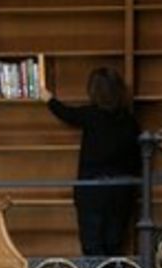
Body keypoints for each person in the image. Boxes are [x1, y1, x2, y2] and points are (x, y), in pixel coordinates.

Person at [40, 67, 141, 256]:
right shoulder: (129, 121)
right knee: (115, 244)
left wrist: (49, 98)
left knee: (92, 244)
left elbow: (67, 114)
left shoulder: (90, 115)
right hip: (121, 191)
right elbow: (137, 160)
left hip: (91, 189)